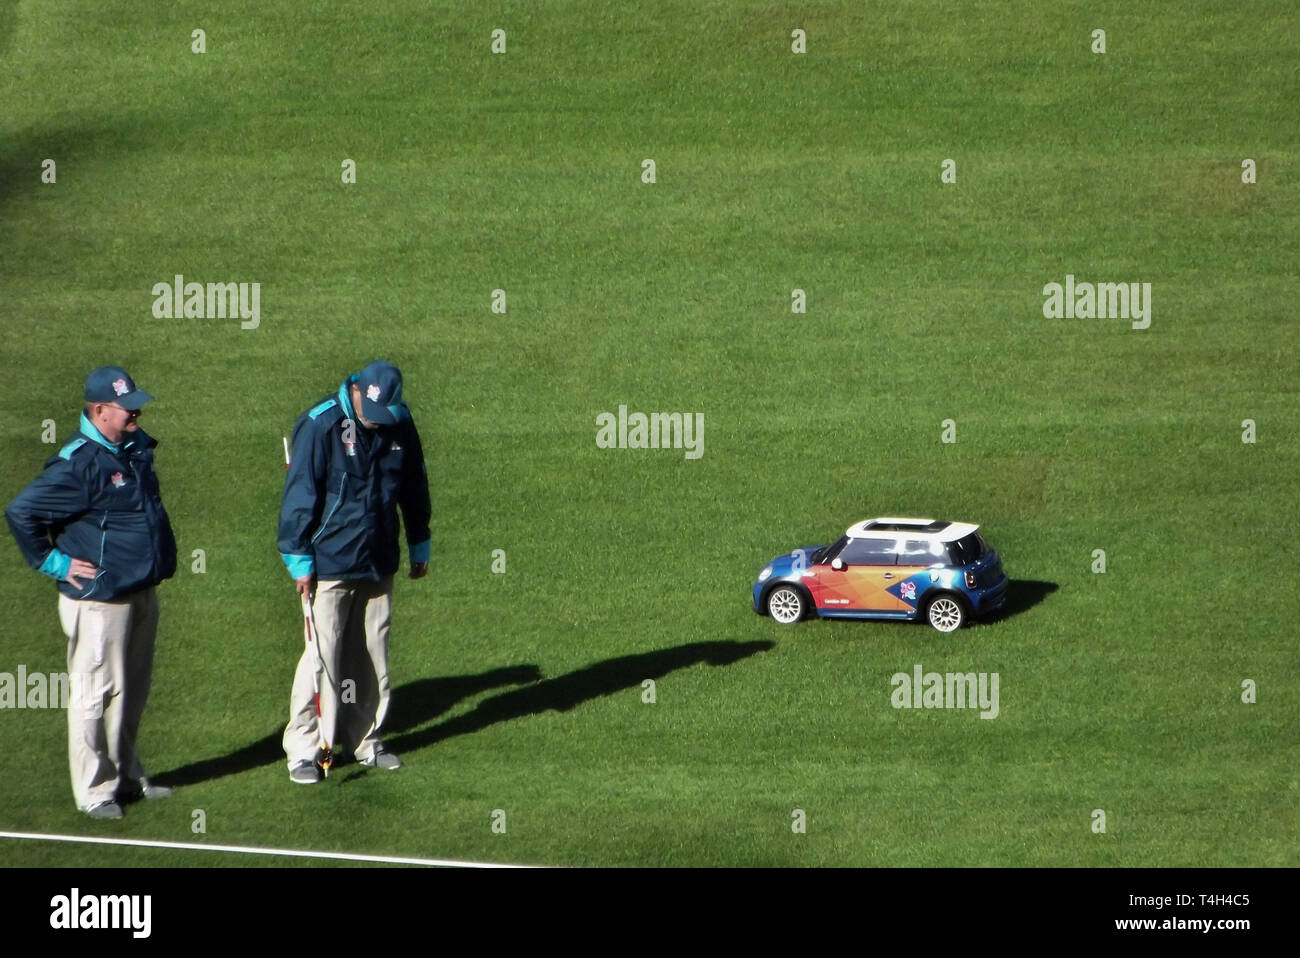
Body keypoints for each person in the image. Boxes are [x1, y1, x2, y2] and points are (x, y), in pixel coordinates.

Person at [5, 366, 178, 819]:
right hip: (99, 600)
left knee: (131, 693)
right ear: (100, 411)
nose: (136, 412)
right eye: (127, 407)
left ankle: (126, 776)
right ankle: (95, 791)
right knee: (94, 694)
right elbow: (21, 512)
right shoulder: (77, 463)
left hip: (140, 588)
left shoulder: (133, 447)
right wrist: (54, 562)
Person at [278, 361, 430, 784]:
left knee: (371, 652)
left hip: (378, 557)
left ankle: (365, 739)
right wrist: (299, 560)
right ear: (356, 390)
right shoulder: (321, 424)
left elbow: (414, 483)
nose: (375, 424)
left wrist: (420, 540)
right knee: (321, 655)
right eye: (370, 412)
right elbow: (301, 495)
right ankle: (305, 748)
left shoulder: (398, 421)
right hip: (329, 562)